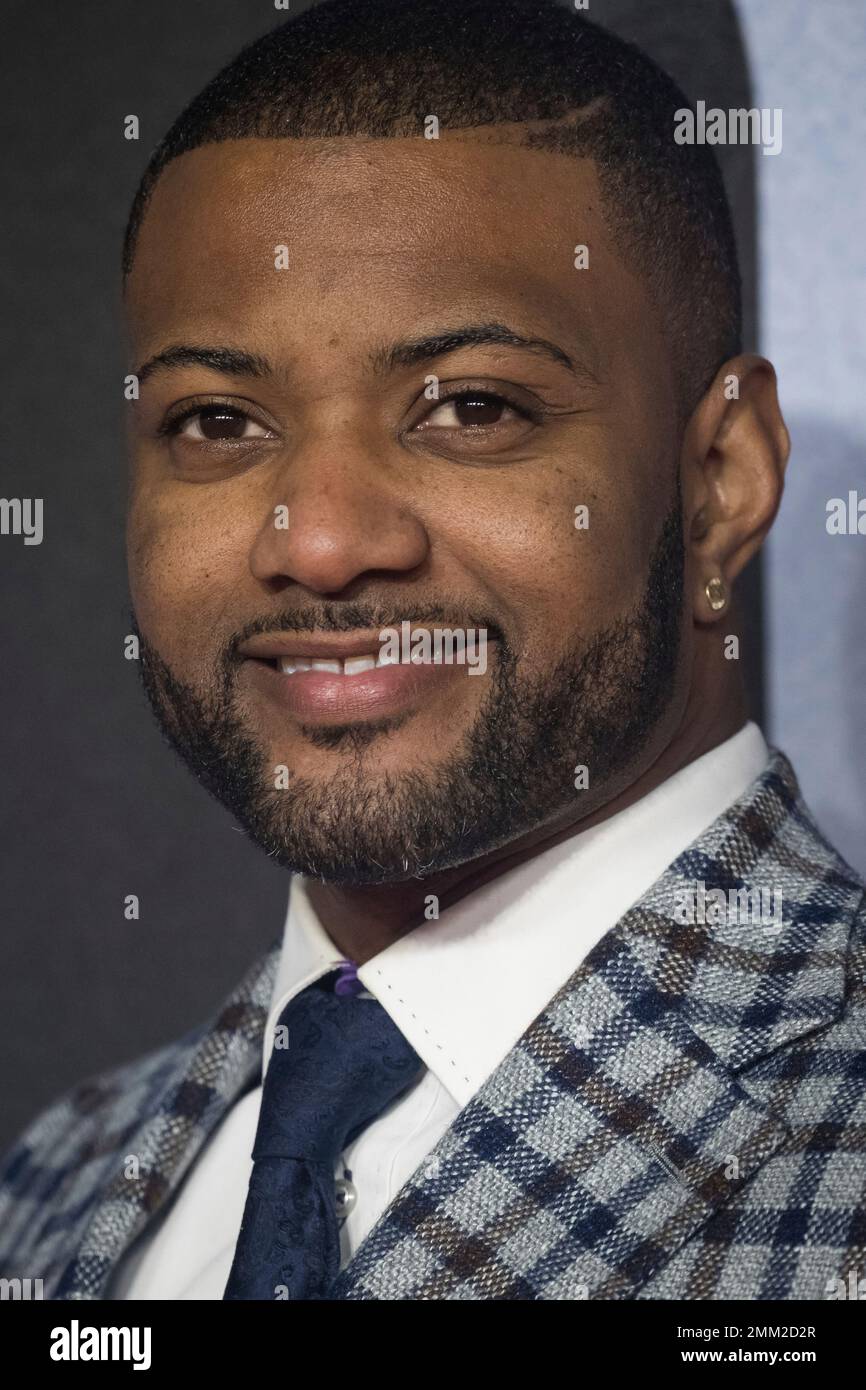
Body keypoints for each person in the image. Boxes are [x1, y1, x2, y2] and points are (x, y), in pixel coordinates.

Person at [1, 0, 863, 1302]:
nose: (320, 541)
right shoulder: (54, 1183)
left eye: (470, 406)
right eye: (219, 421)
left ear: (720, 481)